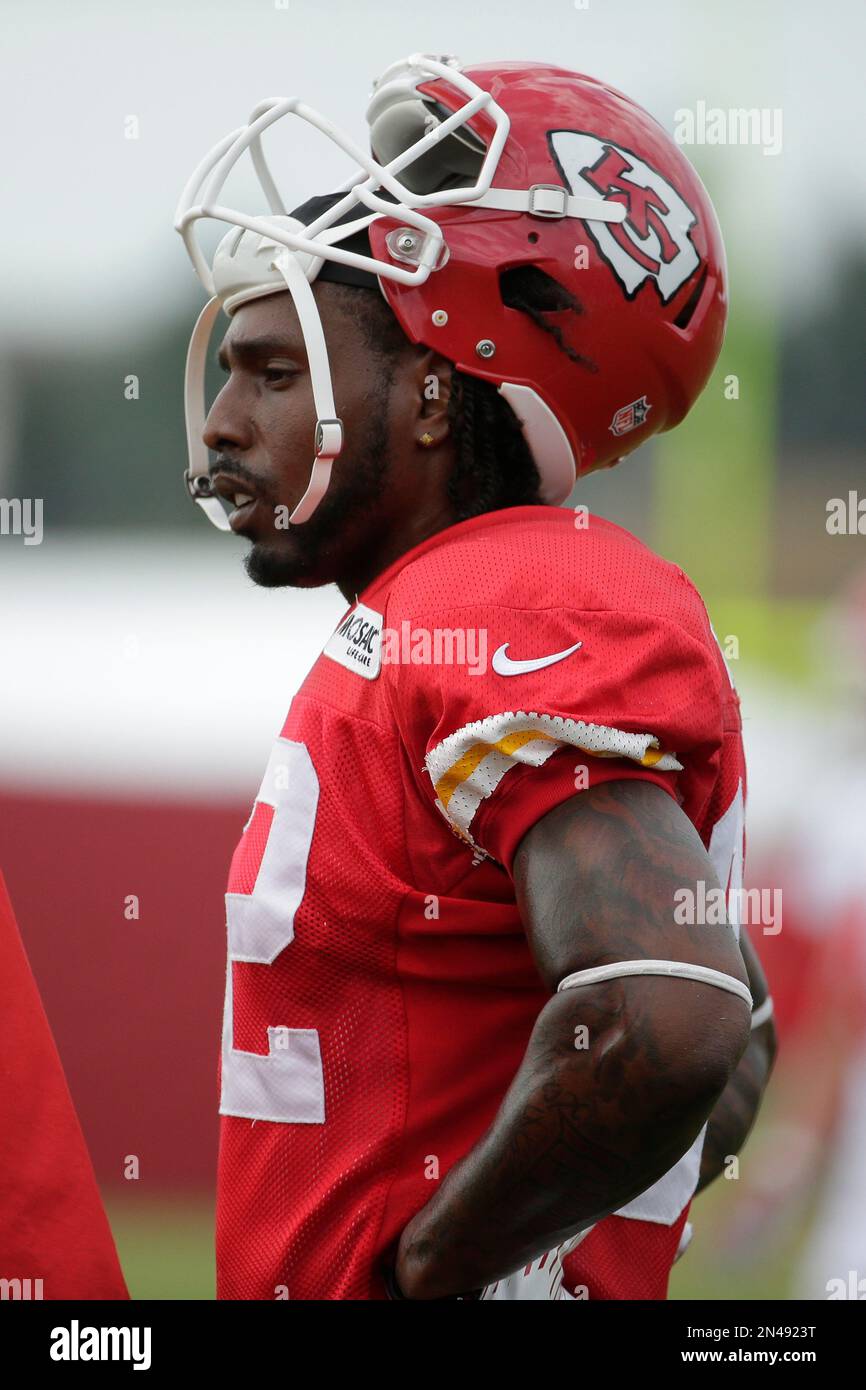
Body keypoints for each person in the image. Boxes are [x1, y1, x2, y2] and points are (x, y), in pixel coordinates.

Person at [174, 53, 774, 1300]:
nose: (224, 423)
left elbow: (672, 1018)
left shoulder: (506, 596)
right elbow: (739, 1039)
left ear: (436, 395)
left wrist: (438, 1270)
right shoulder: (451, 607)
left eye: (277, 372)